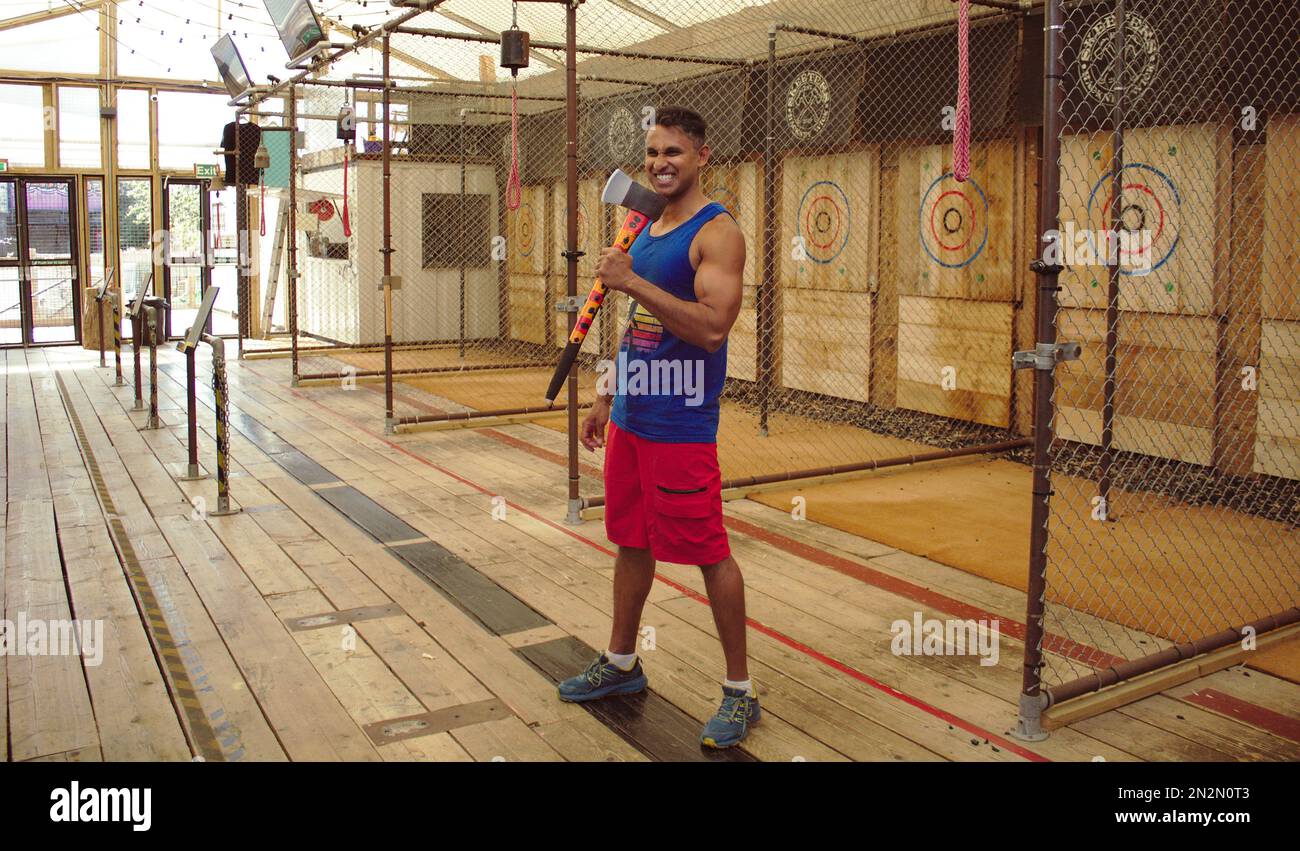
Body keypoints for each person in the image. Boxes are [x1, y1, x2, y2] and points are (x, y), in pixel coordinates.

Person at [556, 106, 755, 749]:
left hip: (681, 422)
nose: (660, 163)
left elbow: (711, 327)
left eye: (673, 152)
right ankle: (620, 665)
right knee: (631, 541)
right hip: (632, 415)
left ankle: (739, 693)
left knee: (708, 552)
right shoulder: (644, 223)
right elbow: (635, 327)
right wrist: (604, 395)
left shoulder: (716, 232)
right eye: (651, 153)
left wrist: (633, 280)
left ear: (701, 156)